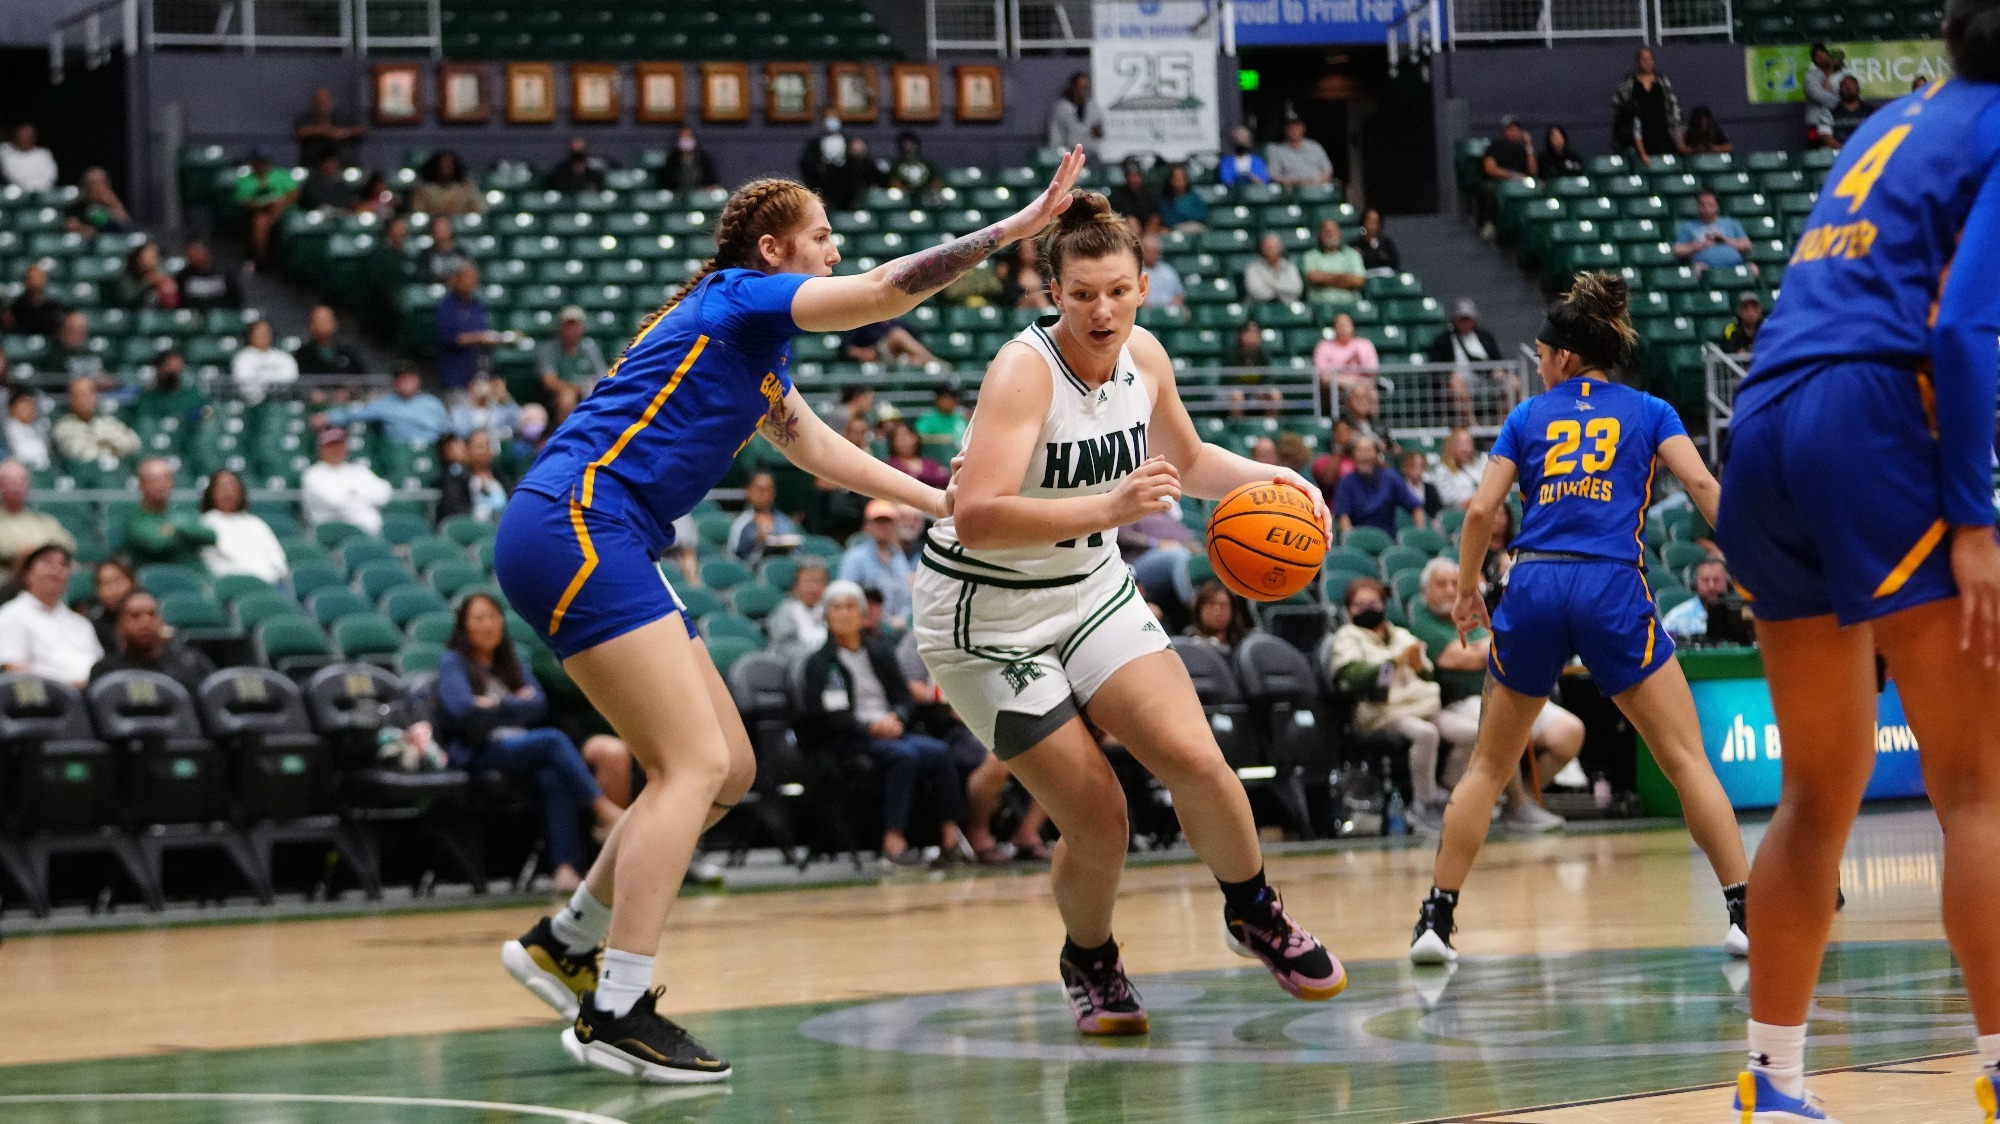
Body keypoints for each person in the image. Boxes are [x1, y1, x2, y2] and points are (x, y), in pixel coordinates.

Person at [493, 154, 1088, 1082]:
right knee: (689, 765)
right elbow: (887, 292)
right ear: (772, 251)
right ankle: (614, 1006)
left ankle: (566, 943)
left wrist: (939, 501)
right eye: (820, 237)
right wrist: (1015, 229)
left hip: (596, 531)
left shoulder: (755, 353)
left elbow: (820, 449)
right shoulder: (739, 299)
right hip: (576, 520)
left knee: (727, 768)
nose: (835, 247)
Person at [912, 188, 1343, 1041]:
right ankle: (1091, 957)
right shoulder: (1022, 371)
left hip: (1089, 589)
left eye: (1116, 290)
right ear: (1053, 295)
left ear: (1143, 284)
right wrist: (1110, 509)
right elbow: (978, 513)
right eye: (1081, 294)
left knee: (1194, 754)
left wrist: (1271, 480)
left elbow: (1183, 460)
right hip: (986, 618)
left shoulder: (1145, 357)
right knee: (1100, 818)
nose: (1101, 310)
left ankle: (1252, 909)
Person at [1714, 15, 2000, 1117]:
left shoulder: (1888, 120)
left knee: (1816, 792)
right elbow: (1963, 329)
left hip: (1766, 417)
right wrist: (1973, 518)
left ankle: (1772, 1081)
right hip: (1867, 417)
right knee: (1973, 786)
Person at [1405, 272, 1751, 989]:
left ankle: (1436, 920)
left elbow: (1478, 514)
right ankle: (1744, 912)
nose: (1538, 364)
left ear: (1564, 357)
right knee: (1686, 759)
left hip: (1534, 581)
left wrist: (1468, 590)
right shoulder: (1652, 409)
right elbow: (1706, 488)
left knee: (1489, 768)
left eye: (1540, 354)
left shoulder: (1529, 416)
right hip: (1609, 583)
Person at [438, 592, 622, 893]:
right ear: (463, 627)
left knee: (552, 776)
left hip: (518, 747)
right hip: (478, 750)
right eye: (479, 618)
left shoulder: (509, 662)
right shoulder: (453, 663)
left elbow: (538, 705)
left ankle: (565, 869)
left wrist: (493, 705)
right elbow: (462, 711)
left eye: (494, 617)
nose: (489, 625)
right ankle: (602, 810)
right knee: (552, 740)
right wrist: (510, 705)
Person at [800, 578, 976, 866]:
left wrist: (898, 717)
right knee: (903, 756)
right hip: (851, 739)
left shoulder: (880, 652)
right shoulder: (819, 663)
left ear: (862, 614)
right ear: (826, 616)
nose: (844, 613)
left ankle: (950, 840)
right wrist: (869, 728)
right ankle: (893, 842)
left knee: (939, 752)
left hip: (892, 729)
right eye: (836, 608)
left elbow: (903, 697)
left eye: (850, 607)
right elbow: (825, 716)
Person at [1407, 558, 1583, 829]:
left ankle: (1513, 801)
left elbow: (1514, 649)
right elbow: (1459, 658)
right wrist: (1501, 644)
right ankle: (1518, 804)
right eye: (1440, 584)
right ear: (1424, 593)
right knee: (1502, 721)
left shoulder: (1478, 618)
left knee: (1569, 732)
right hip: (1459, 702)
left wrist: (1496, 647)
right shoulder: (1423, 625)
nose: (1450, 589)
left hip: (1511, 692)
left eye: (1455, 583)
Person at [1329, 573, 1480, 822]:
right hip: (1384, 712)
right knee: (1426, 734)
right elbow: (1352, 675)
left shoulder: (1401, 634)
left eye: (1374, 603)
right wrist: (1392, 662)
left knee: (1472, 732)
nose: (1368, 609)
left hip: (1424, 706)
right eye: (1360, 605)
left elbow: (1430, 676)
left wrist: (1419, 664)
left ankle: (1447, 789)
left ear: (1384, 605)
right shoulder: (1348, 636)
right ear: (1348, 610)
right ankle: (1424, 804)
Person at [0, 543, 100, 687]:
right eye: (47, 562)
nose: (57, 569)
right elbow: (13, 669)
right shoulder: (10, 615)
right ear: (27, 574)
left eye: (63, 564)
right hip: (44, 701)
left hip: (94, 698)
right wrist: (69, 687)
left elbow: (100, 666)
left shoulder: (81, 623)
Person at [89, 590, 216, 698]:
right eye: (135, 616)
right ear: (119, 626)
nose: (145, 622)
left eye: (152, 614)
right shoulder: (105, 673)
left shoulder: (191, 665)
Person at [1427, 300, 1514, 422]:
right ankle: (1473, 426)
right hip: (1458, 382)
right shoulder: (1443, 340)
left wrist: (1498, 370)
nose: (1465, 323)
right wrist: (1450, 375)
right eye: (1462, 319)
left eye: (1468, 319)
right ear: (1455, 319)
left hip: (1487, 379)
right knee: (1456, 382)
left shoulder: (1485, 337)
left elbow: (1497, 359)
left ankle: (1503, 425)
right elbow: (1436, 366)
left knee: (1514, 383)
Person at [122, 457, 216, 570]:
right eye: (153, 479)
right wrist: (183, 526)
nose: (160, 484)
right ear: (141, 485)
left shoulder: (185, 510)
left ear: (172, 483)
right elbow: (157, 543)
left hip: (195, 576)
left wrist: (172, 527)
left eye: (165, 478)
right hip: (159, 578)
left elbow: (210, 536)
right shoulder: (136, 517)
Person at [199, 468, 288, 587]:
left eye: (233, 487)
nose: (229, 492)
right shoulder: (205, 524)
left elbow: (276, 555)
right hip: (237, 586)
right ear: (211, 493)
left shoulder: (254, 522)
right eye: (223, 488)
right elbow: (214, 564)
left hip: (272, 585)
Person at [320, 366, 452, 444]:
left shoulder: (432, 402)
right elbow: (357, 412)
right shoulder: (385, 403)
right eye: (401, 378)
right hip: (401, 453)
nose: (405, 382)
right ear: (395, 382)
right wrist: (329, 417)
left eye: (409, 377)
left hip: (432, 450)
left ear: (417, 380)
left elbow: (448, 429)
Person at [301, 426, 391, 536]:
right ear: (321, 450)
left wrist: (353, 492)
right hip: (330, 534)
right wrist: (364, 495)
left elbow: (384, 494)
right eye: (330, 446)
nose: (335, 450)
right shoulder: (313, 474)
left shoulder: (358, 470)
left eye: (339, 446)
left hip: (368, 534)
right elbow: (335, 501)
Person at [840, 499, 916, 628]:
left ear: (895, 526)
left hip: (900, 626)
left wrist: (904, 618)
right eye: (878, 522)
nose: (883, 526)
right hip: (866, 627)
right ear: (867, 526)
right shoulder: (854, 557)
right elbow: (846, 597)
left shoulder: (898, 556)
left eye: (888, 522)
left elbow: (907, 597)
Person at [1334, 433, 1425, 535]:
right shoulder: (1346, 483)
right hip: (1359, 540)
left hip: (1388, 540)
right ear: (1353, 455)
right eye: (1360, 451)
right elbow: (1343, 518)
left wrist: (1420, 534)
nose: (1365, 456)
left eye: (1368, 450)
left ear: (1376, 453)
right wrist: (1352, 540)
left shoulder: (1390, 477)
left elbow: (1416, 507)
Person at [436, 263, 504, 393]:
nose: (472, 282)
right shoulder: (447, 306)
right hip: (456, 376)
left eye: (474, 278)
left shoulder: (478, 305)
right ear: (455, 280)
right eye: (467, 277)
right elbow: (449, 338)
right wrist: (479, 337)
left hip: (479, 373)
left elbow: (484, 331)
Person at [1612, 47, 1684, 162]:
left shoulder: (1663, 82)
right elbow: (1618, 107)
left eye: (1650, 59)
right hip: (1637, 136)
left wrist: (1677, 132)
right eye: (1644, 59)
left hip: (1661, 133)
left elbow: (1673, 106)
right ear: (1638, 61)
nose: (1647, 62)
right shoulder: (1628, 83)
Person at [0, 459, 73, 569]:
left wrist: (37, 552)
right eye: (9, 481)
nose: (16, 485)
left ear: (28, 485)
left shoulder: (44, 521)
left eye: (21, 480)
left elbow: (68, 544)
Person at [52, 377, 138, 468]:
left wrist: (103, 441)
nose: (85, 400)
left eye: (90, 394)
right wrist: (110, 446)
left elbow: (133, 444)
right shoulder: (63, 427)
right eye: (80, 395)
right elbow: (81, 456)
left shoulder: (107, 421)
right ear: (71, 399)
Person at [1673, 191, 1755, 282]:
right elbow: (1677, 250)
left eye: (1710, 205)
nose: (1706, 208)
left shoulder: (1732, 223)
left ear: (1717, 206)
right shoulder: (1688, 226)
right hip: (1705, 268)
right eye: (1702, 205)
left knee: (1753, 269)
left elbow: (1747, 245)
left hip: (1735, 265)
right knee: (1695, 271)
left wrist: (1725, 240)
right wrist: (1700, 245)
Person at [233, 151, 297, 267]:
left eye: (263, 162)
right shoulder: (245, 180)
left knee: (278, 206)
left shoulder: (281, 175)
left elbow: (294, 193)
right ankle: (261, 259)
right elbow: (246, 202)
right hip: (260, 211)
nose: (261, 165)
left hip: (285, 211)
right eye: (257, 162)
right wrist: (265, 205)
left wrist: (280, 206)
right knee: (261, 221)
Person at [1479, 116, 1536, 238]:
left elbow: (1533, 171)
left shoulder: (1522, 149)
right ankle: (1491, 223)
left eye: (1516, 130)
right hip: (1500, 182)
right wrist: (1512, 175)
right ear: (1504, 131)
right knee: (1490, 189)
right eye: (1510, 130)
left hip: (1521, 184)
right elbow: (1490, 169)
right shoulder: (1495, 146)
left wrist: (1529, 146)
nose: (1514, 133)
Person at [765, 556, 829, 661]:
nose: (813, 587)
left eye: (818, 582)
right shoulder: (786, 613)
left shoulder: (832, 610)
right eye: (807, 582)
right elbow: (785, 650)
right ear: (796, 586)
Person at [727, 470, 800, 563]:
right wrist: (756, 541)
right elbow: (734, 557)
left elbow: (795, 553)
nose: (765, 494)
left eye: (769, 489)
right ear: (749, 491)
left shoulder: (784, 521)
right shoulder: (741, 523)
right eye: (760, 489)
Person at [1312, 312, 1377, 414]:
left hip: (1364, 385)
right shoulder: (1324, 347)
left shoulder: (1365, 344)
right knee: (1358, 392)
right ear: (1334, 328)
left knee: (1372, 393)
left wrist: (1359, 360)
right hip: (1336, 389)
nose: (1344, 328)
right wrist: (1348, 372)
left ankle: (1373, 425)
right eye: (1340, 325)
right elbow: (1324, 377)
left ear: (1352, 327)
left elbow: (1373, 370)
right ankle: (1351, 425)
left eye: (1346, 324)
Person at [1661, 556, 1733, 641]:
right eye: (1705, 580)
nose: (1711, 586)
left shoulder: (1742, 616)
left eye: (1716, 580)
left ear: (1727, 583)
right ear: (1695, 584)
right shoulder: (1675, 620)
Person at [230, 319, 300, 405]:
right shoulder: (242, 358)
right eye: (258, 332)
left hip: (281, 403)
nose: (262, 335)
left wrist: (263, 382)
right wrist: (272, 383)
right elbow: (246, 386)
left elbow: (291, 379)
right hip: (252, 406)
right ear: (250, 335)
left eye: (266, 332)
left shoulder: (284, 357)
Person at [1301, 220, 1365, 309]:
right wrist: (1343, 278)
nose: (1330, 234)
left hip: (1350, 305)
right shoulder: (1310, 256)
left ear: (1340, 233)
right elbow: (1314, 278)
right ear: (1320, 235)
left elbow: (1359, 281)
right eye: (1326, 232)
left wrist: (1325, 278)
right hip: (1320, 307)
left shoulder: (1353, 254)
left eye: (1333, 231)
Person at [1803, 42, 1856, 149]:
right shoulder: (1810, 76)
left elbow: (1850, 93)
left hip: (1839, 121)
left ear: (1828, 55)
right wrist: (1839, 98)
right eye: (1818, 56)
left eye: (1823, 54)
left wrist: (1831, 90)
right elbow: (1818, 96)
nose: (1821, 58)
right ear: (1814, 61)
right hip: (1816, 123)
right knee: (1816, 155)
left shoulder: (1843, 74)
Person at [294, 87, 363, 168]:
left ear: (332, 100)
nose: (323, 104)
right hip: (313, 161)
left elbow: (359, 129)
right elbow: (300, 132)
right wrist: (323, 130)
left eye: (326, 100)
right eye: (319, 101)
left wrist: (343, 133)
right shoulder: (306, 117)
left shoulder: (343, 116)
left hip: (342, 161)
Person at [293, 305, 365, 376]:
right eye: (319, 321)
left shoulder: (347, 352)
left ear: (335, 323)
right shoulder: (303, 354)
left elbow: (362, 378)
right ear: (311, 325)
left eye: (326, 320)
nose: (323, 325)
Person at [450, 373, 522, 444]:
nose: (481, 390)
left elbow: (518, 421)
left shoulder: (499, 407)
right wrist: (478, 424)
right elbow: (460, 432)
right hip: (472, 447)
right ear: (470, 390)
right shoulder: (461, 411)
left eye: (483, 386)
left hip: (500, 444)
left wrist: (506, 398)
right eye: (478, 387)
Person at [82, 557, 134, 654]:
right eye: (106, 583)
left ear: (132, 582)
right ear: (98, 592)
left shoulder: (149, 617)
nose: (114, 589)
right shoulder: (95, 629)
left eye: (118, 580)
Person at [1046, 73, 1105, 158]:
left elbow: (1101, 133)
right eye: (1080, 88)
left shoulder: (1093, 108)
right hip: (1069, 155)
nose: (1083, 91)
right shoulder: (1062, 108)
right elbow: (1055, 136)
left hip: (1091, 154)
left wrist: (1098, 132)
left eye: (1085, 88)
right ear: (1073, 88)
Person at [1426, 427, 1486, 511]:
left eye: (1469, 443)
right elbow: (1448, 500)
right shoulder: (1442, 471)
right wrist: (1480, 498)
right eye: (1461, 444)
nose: (1466, 449)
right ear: (1451, 446)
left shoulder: (1478, 467)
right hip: (1458, 515)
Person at [410, 150, 483, 217]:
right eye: (442, 165)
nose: (445, 169)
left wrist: (459, 211)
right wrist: (439, 212)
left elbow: (480, 208)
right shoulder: (424, 190)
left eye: (449, 165)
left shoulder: (466, 187)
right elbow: (417, 211)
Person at [1267, 114, 1335, 186]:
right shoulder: (1278, 150)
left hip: (1317, 188)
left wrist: (1318, 183)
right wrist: (1290, 182)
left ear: (1303, 128)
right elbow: (1273, 175)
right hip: (1293, 190)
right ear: (1285, 129)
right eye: (1290, 127)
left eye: (1296, 127)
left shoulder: (1315, 146)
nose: (1294, 130)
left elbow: (1328, 171)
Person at [1184, 580, 1249, 654]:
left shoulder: (1244, 645)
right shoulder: (1190, 646)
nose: (1217, 611)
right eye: (1211, 604)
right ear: (1199, 609)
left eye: (1223, 605)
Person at [174, 240, 240, 311]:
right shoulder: (183, 276)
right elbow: (180, 302)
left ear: (206, 253)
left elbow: (235, 298)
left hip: (222, 314)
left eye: (197, 253)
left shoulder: (224, 272)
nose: (195, 257)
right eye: (191, 255)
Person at [839, 319, 935, 367]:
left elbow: (919, 340)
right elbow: (846, 348)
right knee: (898, 335)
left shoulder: (898, 322)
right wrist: (863, 353)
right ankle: (935, 362)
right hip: (876, 355)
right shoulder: (865, 322)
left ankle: (929, 361)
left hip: (899, 358)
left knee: (917, 359)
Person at [884, 420, 948, 490]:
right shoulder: (890, 465)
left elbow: (944, 479)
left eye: (907, 435)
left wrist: (918, 477)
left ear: (916, 438)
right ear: (892, 442)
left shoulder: (930, 462)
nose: (904, 440)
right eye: (899, 437)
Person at [112, 243, 178, 310]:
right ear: (138, 259)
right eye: (147, 257)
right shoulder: (127, 275)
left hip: (159, 313)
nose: (151, 261)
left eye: (153, 257)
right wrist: (148, 283)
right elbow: (127, 300)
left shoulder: (163, 274)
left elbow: (173, 302)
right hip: (135, 314)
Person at [66, 168, 131, 236]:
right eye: (92, 183)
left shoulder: (112, 203)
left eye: (100, 183)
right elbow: (71, 225)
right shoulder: (77, 206)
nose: (96, 188)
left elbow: (126, 226)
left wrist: (113, 203)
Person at [7, 263, 67, 338]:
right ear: (25, 281)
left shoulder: (54, 307)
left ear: (45, 280)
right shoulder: (16, 306)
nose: (35, 282)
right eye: (31, 278)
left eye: (39, 277)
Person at [1243, 233, 1303, 304]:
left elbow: (1297, 289)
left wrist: (1271, 285)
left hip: (1287, 306)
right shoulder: (1252, 268)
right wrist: (1282, 292)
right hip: (1262, 307)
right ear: (1262, 249)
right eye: (1268, 247)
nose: (1272, 251)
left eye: (1274, 247)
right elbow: (1256, 291)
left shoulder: (1290, 266)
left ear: (1281, 248)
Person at [912, 382, 967, 459]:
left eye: (954, 397)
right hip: (934, 460)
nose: (951, 400)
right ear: (938, 399)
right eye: (947, 397)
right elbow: (920, 437)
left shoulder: (961, 417)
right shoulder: (928, 418)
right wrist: (946, 440)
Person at [658, 125, 719, 194]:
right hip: (677, 197)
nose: (686, 140)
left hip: (699, 196)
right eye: (683, 137)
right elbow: (665, 185)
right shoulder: (672, 159)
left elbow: (712, 183)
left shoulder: (703, 159)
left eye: (688, 136)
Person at [1106, 158, 1161, 232]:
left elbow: (1155, 216)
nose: (1134, 180)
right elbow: (1112, 218)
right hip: (1124, 233)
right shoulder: (1117, 195)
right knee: (1132, 222)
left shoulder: (1150, 194)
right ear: (1126, 177)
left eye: (1137, 176)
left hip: (1147, 233)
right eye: (1131, 176)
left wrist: (1148, 230)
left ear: (1141, 177)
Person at [886, 131, 942, 201]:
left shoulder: (926, 163)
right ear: (901, 146)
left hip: (926, 196)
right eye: (906, 144)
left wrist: (930, 190)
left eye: (911, 143)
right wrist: (905, 191)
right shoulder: (897, 164)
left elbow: (936, 180)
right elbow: (894, 181)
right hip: (905, 197)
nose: (909, 147)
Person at [416, 216, 473, 285]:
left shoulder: (461, 253)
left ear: (451, 229)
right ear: (432, 231)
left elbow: (470, 274)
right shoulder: (425, 255)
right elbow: (423, 277)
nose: (441, 230)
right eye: (437, 227)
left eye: (443, 227)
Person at [48, 311, 104, 380]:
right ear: (63, 332)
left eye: (82, 331)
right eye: (74, 330)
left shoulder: (92, 353)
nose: (79, 336)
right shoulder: (53, 356)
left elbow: (103, 375)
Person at [1, 123, 56, 191]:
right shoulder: (7, 154)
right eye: (22, 136)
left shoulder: (44, 154)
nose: (25, 139)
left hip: (43, 192)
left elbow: (50, 175)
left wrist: (38, 188)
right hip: (19, 194)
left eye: (28, 136)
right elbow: (11, 175)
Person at [4, 393, 50, 472]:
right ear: (12, 408)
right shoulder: (7, 429)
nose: (30, 409)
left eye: (32, 405)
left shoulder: (39, 428)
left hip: (41, 470)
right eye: (25, 406)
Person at [1139, 233, 1184, 311]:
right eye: (1150, 250)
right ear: (1143, 251)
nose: (1153, 254)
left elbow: (1179, 294)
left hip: (1170, 310)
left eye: (1156, 250)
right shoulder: (1137, 271)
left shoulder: (1168, 270)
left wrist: (1174, 306)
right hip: (1147, 312)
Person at [1158, 163, 1208, 233]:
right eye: (1176, 179)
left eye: (1182, 179)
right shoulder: (1166, 199)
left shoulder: (1194, 197)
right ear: (1171, 180)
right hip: (1174, 228)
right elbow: (1168, 219)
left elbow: (1201, 214)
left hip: (1194, 226)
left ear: (1186, 180)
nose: (1179, 182)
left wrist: (1182, 213)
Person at [1830, 76, 1873, 147]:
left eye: (1851, 85)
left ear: (1858, 88)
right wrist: (1843, 150)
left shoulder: (1871, 111)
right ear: (1840, 89)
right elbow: (1825, 134)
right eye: (1844, 85)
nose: (1848, 88)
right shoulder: (1830, 112)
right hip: (1839, 152)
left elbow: (1878, 132)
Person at [1399, 450, 1442, 519]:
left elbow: (1437, 512)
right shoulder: (1398, 488)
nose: (1418, 470)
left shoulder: (1430, 489)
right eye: (1414, 466)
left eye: (1421, 466)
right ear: (1405, 468)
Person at [1356, 209, 1399, 275]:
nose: (1373, 225)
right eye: (1370, 222)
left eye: (1375, 222)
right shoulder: (1357, 244)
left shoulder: (1386, 242)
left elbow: (1393, 261)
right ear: (1364, 223)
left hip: (1386, 275)